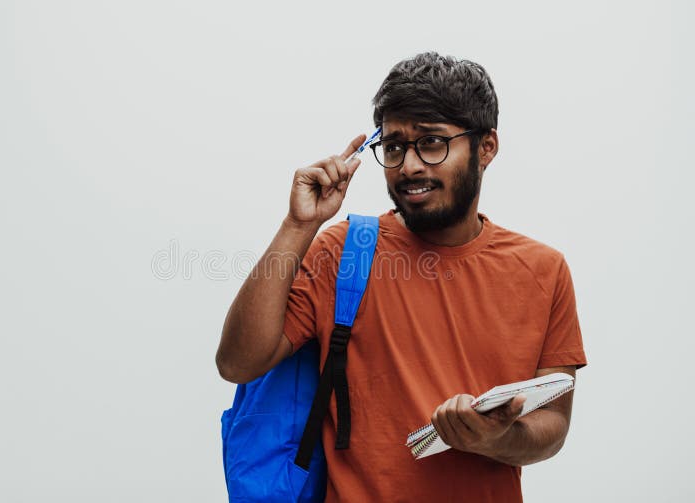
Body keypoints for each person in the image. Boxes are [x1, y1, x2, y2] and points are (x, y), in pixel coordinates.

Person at [216, 51, 587, 503]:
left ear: (485, 147)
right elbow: (237, 362)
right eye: (393, 147)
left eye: (431, 143)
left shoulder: (544, 270)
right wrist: (298, 226)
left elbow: (554, 424)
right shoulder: (343, 252)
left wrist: (492, 439)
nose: (408, 165)